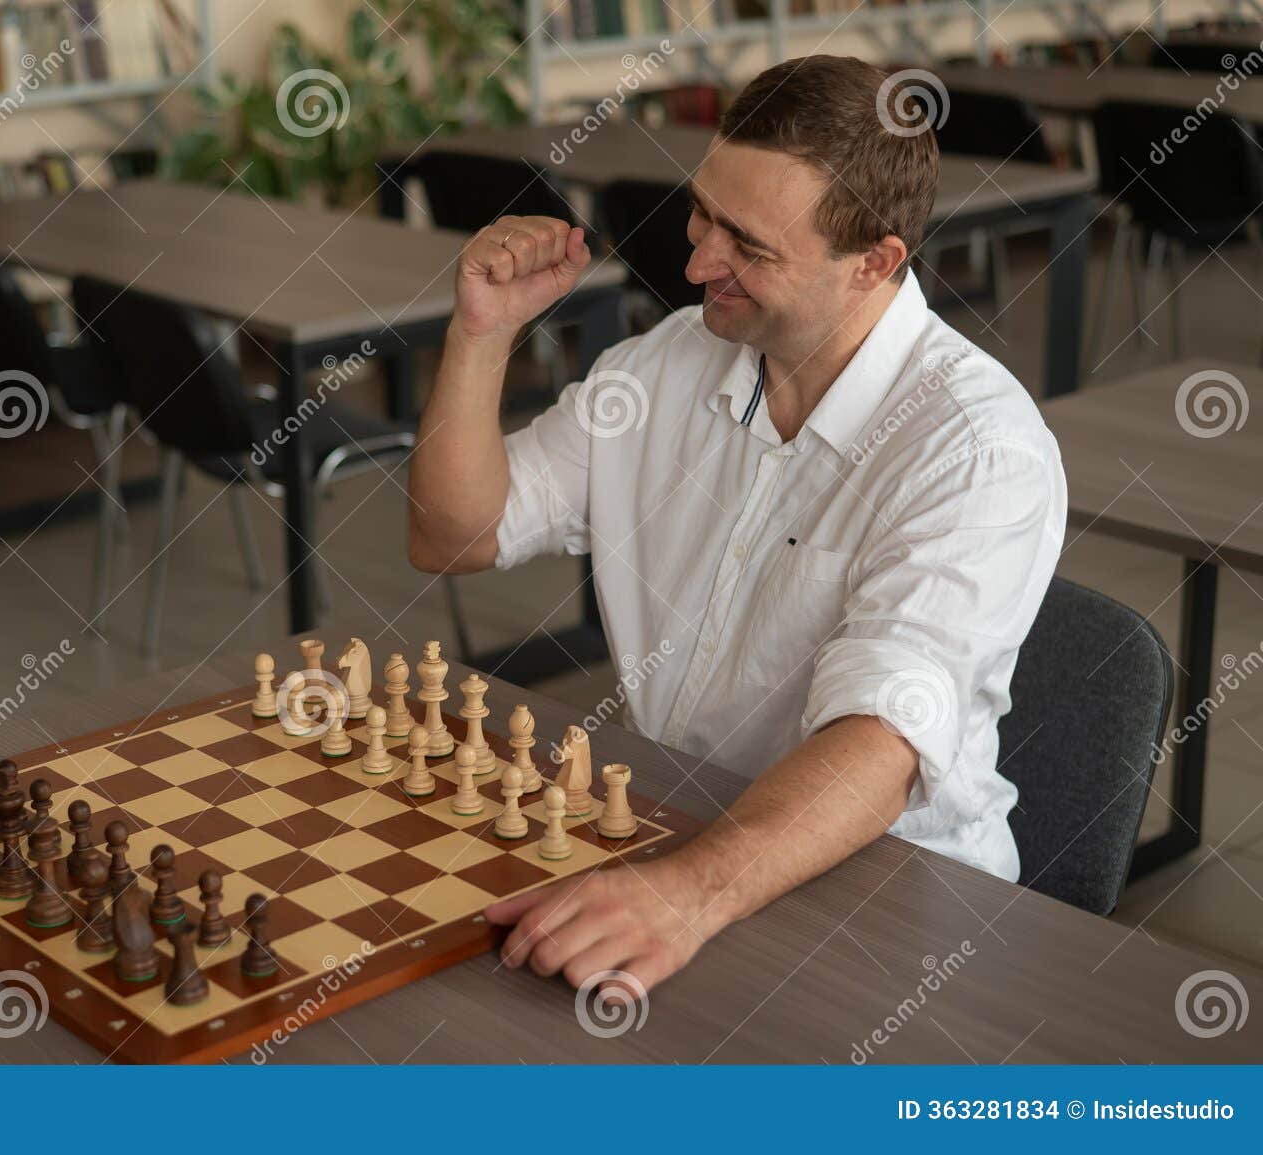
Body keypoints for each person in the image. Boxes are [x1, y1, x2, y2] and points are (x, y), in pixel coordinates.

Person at [406, 55, 1066, 997]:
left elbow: (880, 747)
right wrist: (480, 337)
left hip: (889, 900)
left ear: (875, 262)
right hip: (680, 837)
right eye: (702, 212)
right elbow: (454, 536)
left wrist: (685, 896)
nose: (695, 262)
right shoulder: (673, 359)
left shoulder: (976, 450)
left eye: (748, 247)